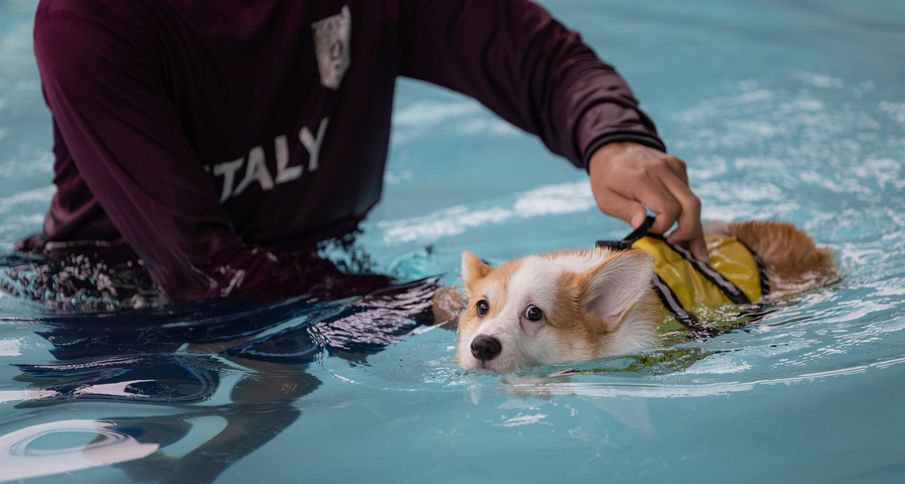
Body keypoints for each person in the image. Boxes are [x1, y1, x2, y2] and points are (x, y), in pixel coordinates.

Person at [22, 0, 706, 304]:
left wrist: (614, 140)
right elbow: (203, 275)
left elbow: (539, 58)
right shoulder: (89, 21)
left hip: (323, 276)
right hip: (118, 316)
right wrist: (427, 307)